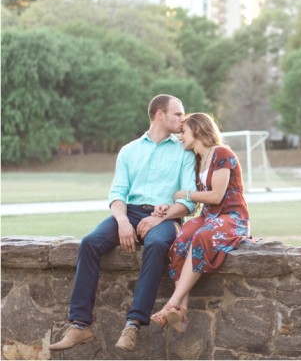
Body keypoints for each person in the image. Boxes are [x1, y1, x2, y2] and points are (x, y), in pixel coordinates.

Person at [49, 94, 196, 353]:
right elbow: (117, 193)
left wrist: (159, 217)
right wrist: (122, 221)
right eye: (177, 114)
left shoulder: (184, 151)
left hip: (165, 216)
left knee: (157, 244)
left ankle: (133, 324)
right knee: (90, 243)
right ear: (160, 115)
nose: (182, 119)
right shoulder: (129, 150)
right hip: (129, 213)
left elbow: (188, 201)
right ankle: (80, 324)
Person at [149, 112, 250, 331]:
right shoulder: (197, 160)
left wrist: (186, 193)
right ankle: (181, 311)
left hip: (232, 216)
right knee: (182, 238)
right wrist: (167, 206)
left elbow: (216, 196)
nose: (180, 137)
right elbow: (193, 199)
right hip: (208, 216)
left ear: (196, 130)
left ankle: (171, 304)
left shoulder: (222, 153)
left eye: (183, 132)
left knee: (201, 237)